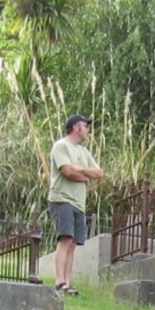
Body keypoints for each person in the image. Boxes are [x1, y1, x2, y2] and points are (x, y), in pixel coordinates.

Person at [47, 113, 103, 296]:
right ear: (76, 127)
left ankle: (68, 283)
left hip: (79, 203)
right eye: (86, 126)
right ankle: (59, 281)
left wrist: (81, 170)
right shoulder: (61, 146)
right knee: (65, 239)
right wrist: (84, 175)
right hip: (62, 199)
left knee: (72, 244)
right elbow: (68, 171)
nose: (88, 130)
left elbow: (99, 173)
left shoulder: (83, 152)